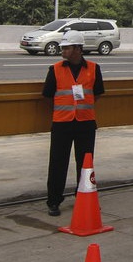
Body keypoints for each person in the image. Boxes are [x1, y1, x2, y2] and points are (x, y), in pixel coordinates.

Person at [41, 30, 105, 216]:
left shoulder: (94, 68)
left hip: (86, 123)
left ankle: (85, 197)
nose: (63, 51)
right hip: (62, 123)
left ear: (78, 49)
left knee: (85, 165)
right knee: (57, 163)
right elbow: (47, 95)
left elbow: (98, 93)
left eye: (67, 48)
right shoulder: (55, 69)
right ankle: (54, 201)